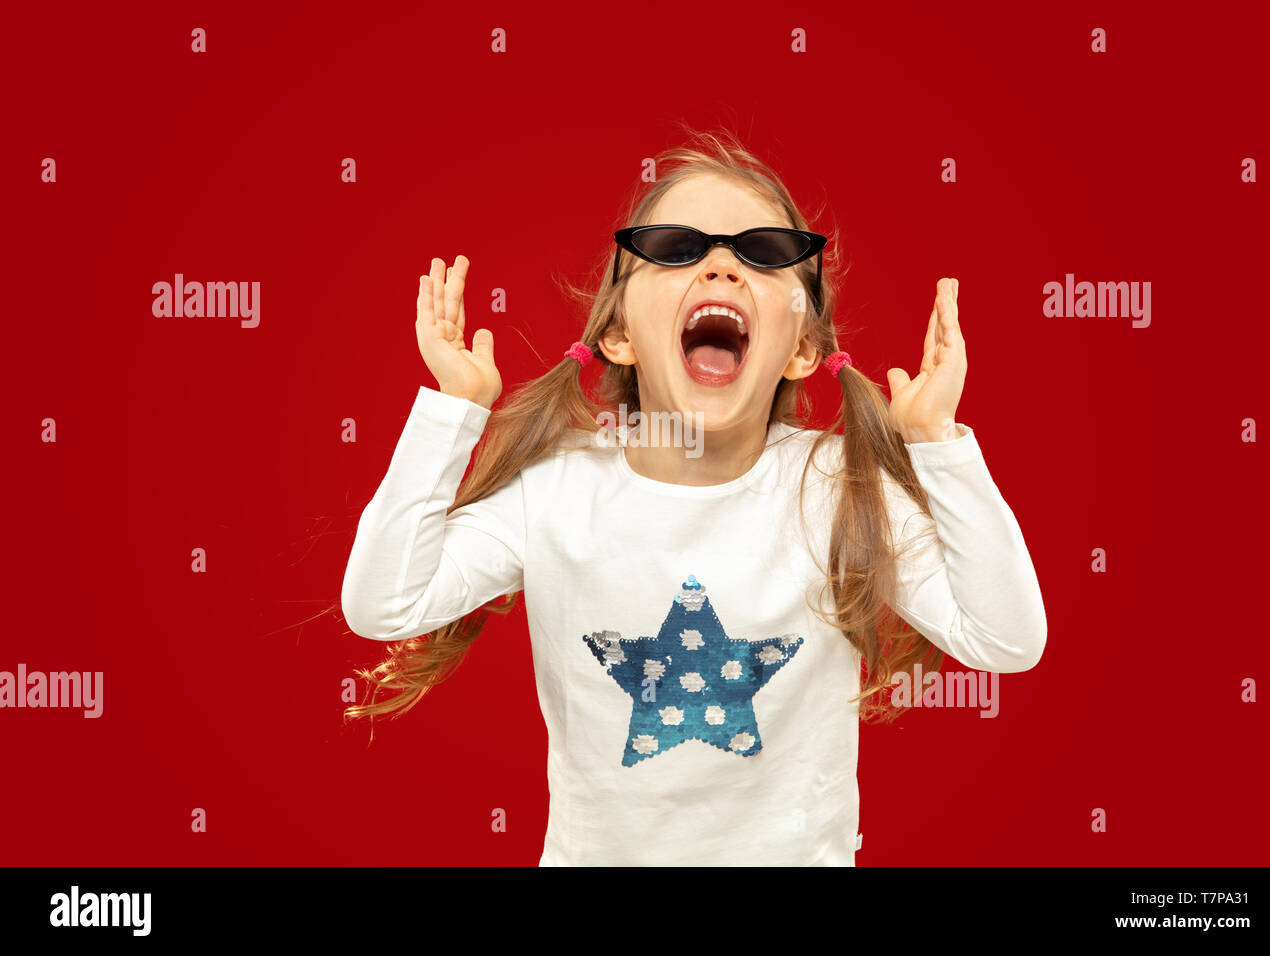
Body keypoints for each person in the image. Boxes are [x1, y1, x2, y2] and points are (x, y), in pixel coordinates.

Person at [340, 129, 1047, 865]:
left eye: (765, 253)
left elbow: (1006, 640)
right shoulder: (555, 491)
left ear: (802, 350)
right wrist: (454, 409)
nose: (721, 266)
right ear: (618, 334)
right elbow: (385, 603)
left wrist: (936, 441)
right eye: (677, 246)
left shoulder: (837, 490)